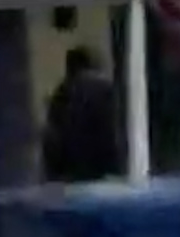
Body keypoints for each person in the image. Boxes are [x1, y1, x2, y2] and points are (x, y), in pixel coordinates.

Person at [41, 47, 121, 184]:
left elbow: (53, 135)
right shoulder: (103, 89)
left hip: (71, 171)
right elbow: (112, 129)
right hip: (100, 168)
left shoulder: (62, 92)